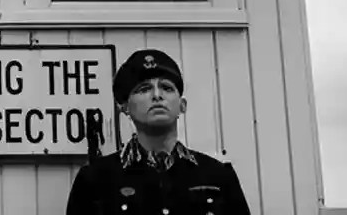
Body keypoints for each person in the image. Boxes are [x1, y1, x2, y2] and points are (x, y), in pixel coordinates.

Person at [66, 49, 250, 215]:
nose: (157, 95)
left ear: (182, 105)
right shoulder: (95, 179)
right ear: (125, 108)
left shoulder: (217, 175)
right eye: (144, 89)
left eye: (167, 88)